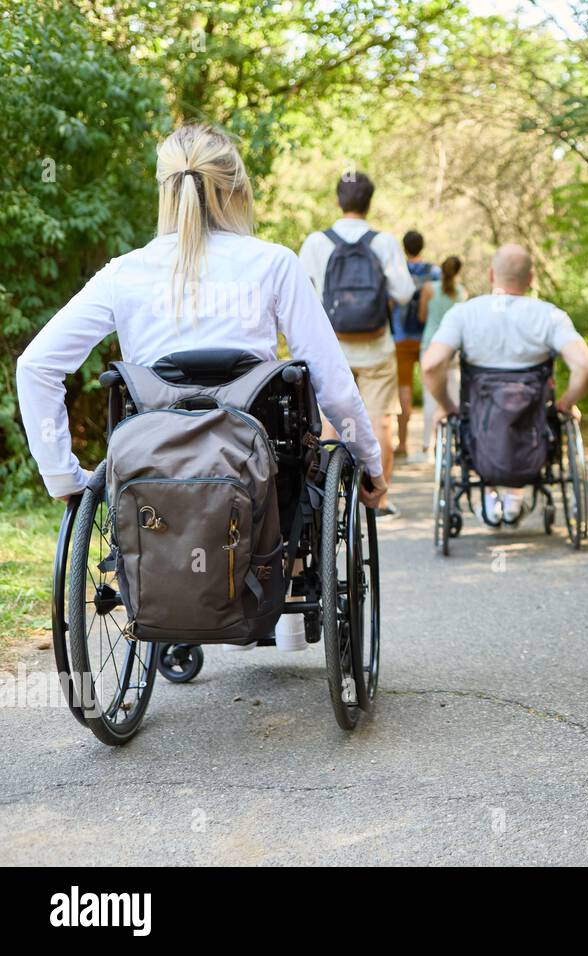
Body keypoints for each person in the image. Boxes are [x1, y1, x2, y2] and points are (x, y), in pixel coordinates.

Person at [15, 124, 388, 652]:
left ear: (164, 189)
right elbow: (335, 386)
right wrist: (369, 463)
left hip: (155, 462)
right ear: (238, 189)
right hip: (256, 463)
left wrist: (64, 476)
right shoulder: (273, 263)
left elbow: (36, 366)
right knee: (302, 459)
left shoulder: (124, 273)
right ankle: (271, 592)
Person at [421, 244, 588, 523]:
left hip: (479, 422)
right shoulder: (550, 315)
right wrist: (566, 403)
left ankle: (491, 496)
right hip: (534, 428)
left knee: (485, 420)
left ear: (491, 275)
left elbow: (431, 364)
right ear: (531, 278)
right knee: (522, 418)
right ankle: (514, 497)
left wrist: (446, 405)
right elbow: (586, 366)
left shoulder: (464, 314)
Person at [297, 172, 415, 517]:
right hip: (377, 347)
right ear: (370, 203)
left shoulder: (317, 242)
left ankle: (327, 501)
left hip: (331, 349)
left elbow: (304, 298)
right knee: (381, 423)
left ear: (338, 201)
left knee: (330, 422)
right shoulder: (385, 243)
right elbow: (405, 292)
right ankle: (378, 500)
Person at [392, 230, 439, 460]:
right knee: (431, 389)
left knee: (404, 392)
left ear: (404, 247)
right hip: (428, 338)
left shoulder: (395, 272)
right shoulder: (435, 273)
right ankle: (429, 444)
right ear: (423, 246)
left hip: (400, 338)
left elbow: (389, 304)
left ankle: (402, 444)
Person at [419, 255, 467, 459]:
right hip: (453, 348)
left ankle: (426, 445)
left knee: (431, 396)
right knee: (454, 395)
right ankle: (451, 442)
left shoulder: (429, 288)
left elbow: (421, 316)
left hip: (431, 344)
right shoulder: (462, 292)